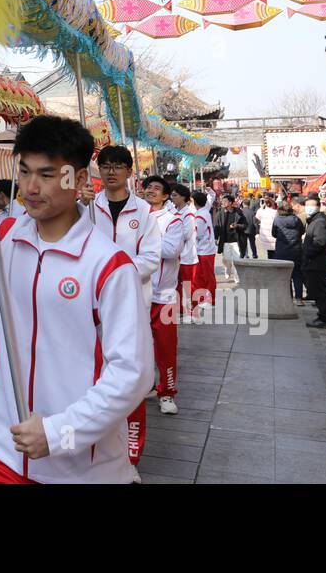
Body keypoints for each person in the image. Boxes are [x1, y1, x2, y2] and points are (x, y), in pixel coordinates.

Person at [0, 115, 154, 483]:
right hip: (2, 451)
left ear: (79, 180)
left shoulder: (109, 265)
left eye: (47, 175)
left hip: (82, 468)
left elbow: (134, 373)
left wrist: (62, 431)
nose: (31, 187)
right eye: (25, 171)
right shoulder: (6, 237)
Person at [86, 144, 157, 479]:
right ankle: (96, 451)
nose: (110, 171)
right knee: (91, 381)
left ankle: (131, 457)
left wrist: (115, 272)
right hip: (90, 310)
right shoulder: (87, 208)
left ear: (129, 171)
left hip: (130, 308)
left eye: (118, 165)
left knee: (129, 384)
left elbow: (151, 258)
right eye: (105, 165)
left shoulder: (144, 212)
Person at [145, 176, 188, 416]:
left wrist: (143, 244)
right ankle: (145, 385)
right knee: (137, 346)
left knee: (166, 347)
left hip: (164, 296)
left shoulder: (173, 219)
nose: (151, 190)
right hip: (138, 292)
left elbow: (171, 250)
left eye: (156, 188)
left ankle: (167, 392)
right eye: (148, 187)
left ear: (165, 196)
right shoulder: (136, 216)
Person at [302, 193, 326, 328]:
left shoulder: (320, 221)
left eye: (311, 206)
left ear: (317, 207)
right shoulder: (315, 220)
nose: (308, 208)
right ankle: (324, 316)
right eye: (307, 206)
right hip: (313, 263)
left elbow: (320, 242)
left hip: (317, 263)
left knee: (320, 292)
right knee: (318, 291)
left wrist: (307, 253)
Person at [171, 183, 198, 316]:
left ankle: (192, 312)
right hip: (177, 256)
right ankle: (180, 310)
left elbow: (186, 234)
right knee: (177, 285)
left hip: (187, 256)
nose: (172, 197)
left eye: (175, 195)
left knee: (189, 287)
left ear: (183, 197)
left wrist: (172, 234)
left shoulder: (189, 214)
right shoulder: (175, 212)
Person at [272, 201, 306, 304]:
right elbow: (302, 231)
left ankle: (288, 298)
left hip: (282, 251)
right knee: (297, 275)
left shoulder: (277, 220)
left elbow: (273, 234)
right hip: (296, 250)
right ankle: (299, 299)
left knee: (285, 276)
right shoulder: (296, 219)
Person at [190, 190, 217, 311]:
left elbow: (198, 234)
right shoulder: (204, 210)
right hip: (205, 250)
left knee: (207, 276)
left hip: (204, 250)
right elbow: (211, 198)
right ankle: (205, 299)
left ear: (194, 201)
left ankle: (211, 301)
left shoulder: (200, 215)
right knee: (202, 276)